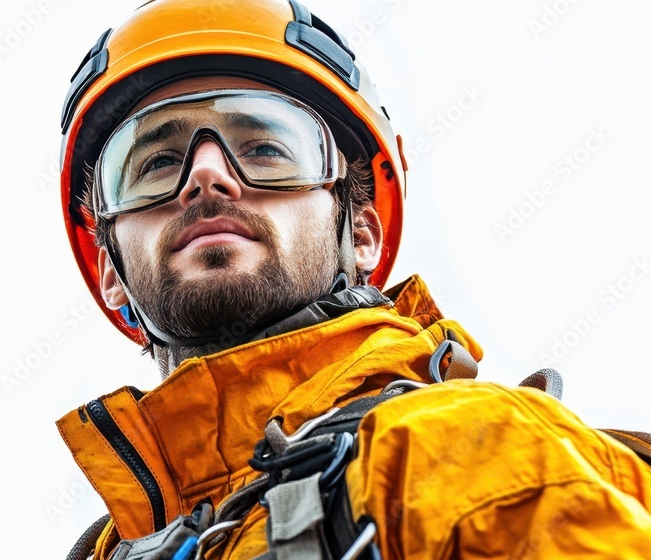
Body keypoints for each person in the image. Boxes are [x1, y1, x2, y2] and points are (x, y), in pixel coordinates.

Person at [55, 1, 651, 558]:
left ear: (361, 234)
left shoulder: (463, 453)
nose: (207, 175)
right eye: (156, 163)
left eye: (265, 148)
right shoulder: (109, 548)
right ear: (111, 270)